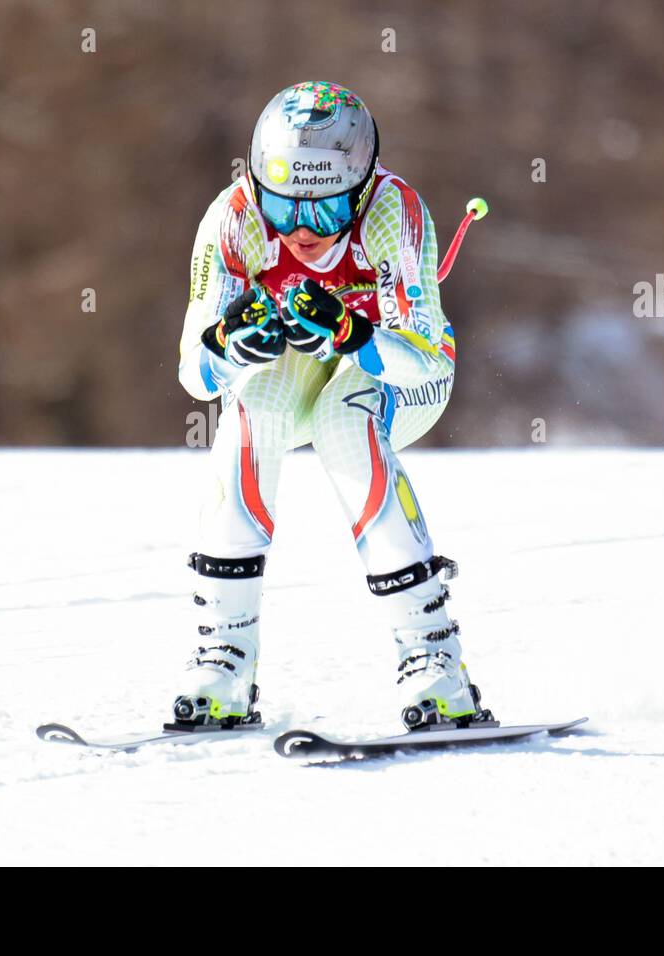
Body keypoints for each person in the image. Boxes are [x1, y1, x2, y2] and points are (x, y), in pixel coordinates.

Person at [175, 80, 492, 731]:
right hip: (305, 363)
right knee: (247, 416)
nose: (302, 233)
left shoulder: (390, 212)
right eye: (285, 209)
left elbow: (424, 357)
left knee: (344, 423)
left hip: (400, 370)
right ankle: (223, 660)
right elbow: (194, 376)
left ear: (361, 185)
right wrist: (232, 345)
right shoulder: (233, 220)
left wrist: (355, 333)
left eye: (324, 214)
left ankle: (436, 663)